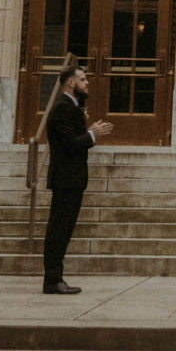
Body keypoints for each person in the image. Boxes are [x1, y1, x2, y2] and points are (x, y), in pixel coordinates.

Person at [42, 65, 113, 295]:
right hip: (65, 179)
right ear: (70, 83)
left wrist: (90, 133)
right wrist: (92, 134)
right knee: (59, 229)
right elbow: (70, 144)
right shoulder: (62, 108)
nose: (87, 83)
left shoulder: (72, 107)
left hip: (72, 179)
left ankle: (55, 278)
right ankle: (52, 279)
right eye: (83, 79)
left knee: (64, 229)